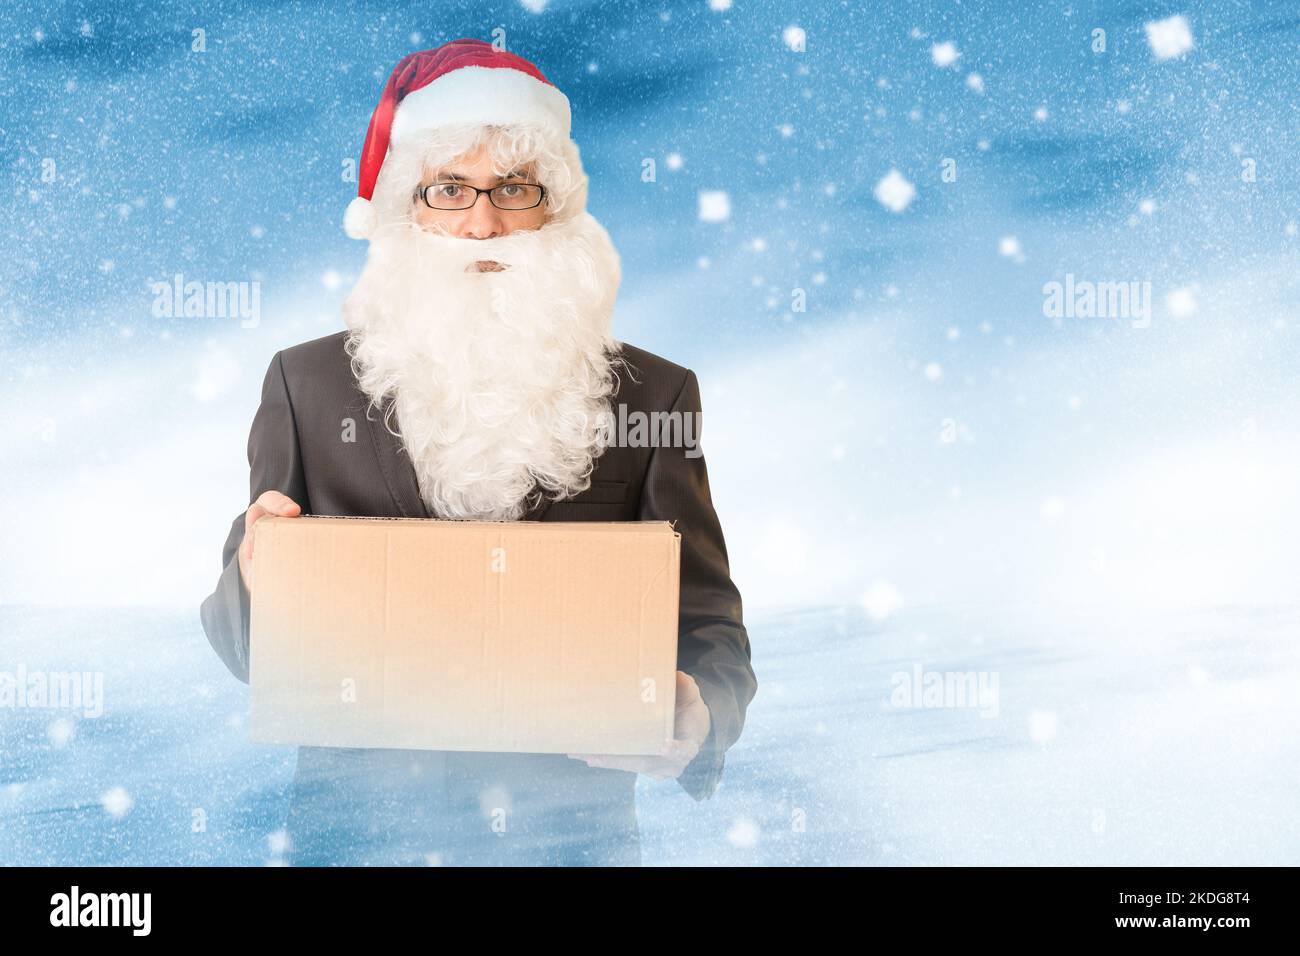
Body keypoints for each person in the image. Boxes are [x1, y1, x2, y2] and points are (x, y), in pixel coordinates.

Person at [199, 38, 756, 866]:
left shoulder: (654, 397)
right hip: (355, 838)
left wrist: (698, 715)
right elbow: (242, 648)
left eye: (514, 190)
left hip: (570, 841)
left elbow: (712, 630)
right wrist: (253, 572)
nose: (484, 223)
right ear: (407, 210)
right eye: (450, 189)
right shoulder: (304, 384)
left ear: (555, 208)